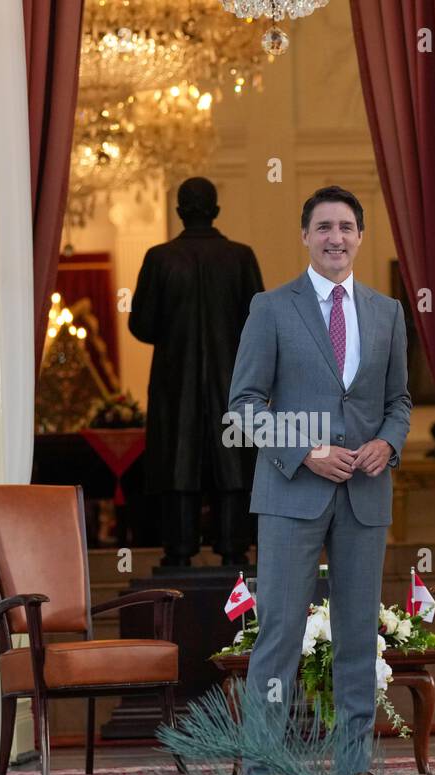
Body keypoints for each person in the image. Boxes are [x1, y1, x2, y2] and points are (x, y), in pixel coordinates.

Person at [228, 185, 412, 775]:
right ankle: (260, 771)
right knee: (279, 633)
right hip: (291, 493)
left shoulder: (387, 312)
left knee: (358, 635)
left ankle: (355, 770)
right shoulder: (270, 308)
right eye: (324, 227)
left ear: (360, 236)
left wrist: (388, 442)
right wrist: (307, 450)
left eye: (346, 227)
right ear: (305, 236)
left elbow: (399, 401)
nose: (336, 237)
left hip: (366, 493)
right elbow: (244, 407)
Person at [130, 177, 264, 567]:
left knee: (179, 463)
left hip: (175, 385)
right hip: (233, 383)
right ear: (216, 211)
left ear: (179, 212)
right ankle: (234, 549)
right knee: (233, 465)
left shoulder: (160, 258)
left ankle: (179, 550)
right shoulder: (240, 257)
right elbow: (259, 323)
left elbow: (141, 325)